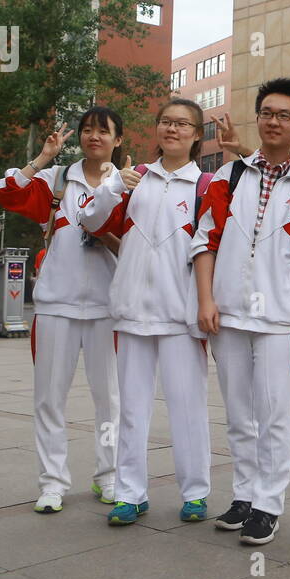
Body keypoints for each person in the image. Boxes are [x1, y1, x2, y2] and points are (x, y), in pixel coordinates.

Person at [192, 78, 290, 545]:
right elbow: (205, 240)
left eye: (285, 115)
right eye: (267, 112)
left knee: (274, 413)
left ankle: (268, 503)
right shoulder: (231, 176)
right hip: (227, 313)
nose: (274, 121)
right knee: (239, 413)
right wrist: (206, 299)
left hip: (279, 316)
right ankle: (243, 494)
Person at [80, 98, 214, 525]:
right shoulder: (132, 180)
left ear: (196, 134)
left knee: (187, 406)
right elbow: (90, 220)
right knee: (132, 409)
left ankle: (195, 492)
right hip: (132, 311)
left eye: (182, 124)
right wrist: (114, 185)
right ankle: (130, 493)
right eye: (165, 122)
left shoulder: (205, 186)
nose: (172, 130)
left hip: (180, 315)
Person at [0, 109, 123, 514]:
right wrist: (43, 158)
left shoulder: (128, 182)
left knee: (111, 400)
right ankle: (52, 483)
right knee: (49, 399)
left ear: (118, 140)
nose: (94, 137)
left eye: (104, 131)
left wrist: (106, 234)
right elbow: (7, 193)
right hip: (54, 305)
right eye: (88, 130)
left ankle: (109, 476)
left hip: (108, 307)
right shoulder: (57, 179)